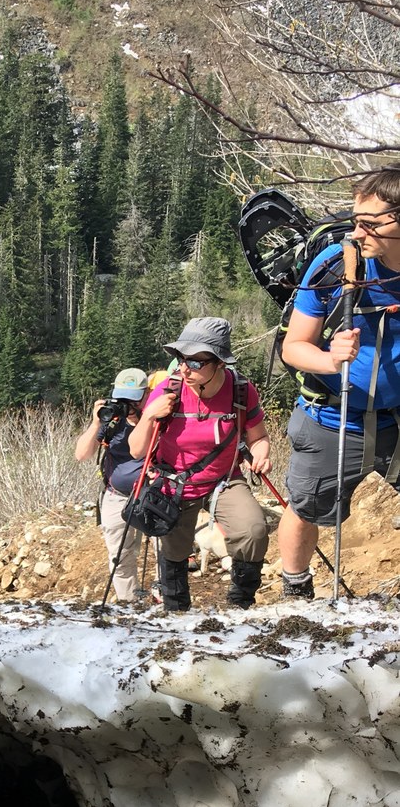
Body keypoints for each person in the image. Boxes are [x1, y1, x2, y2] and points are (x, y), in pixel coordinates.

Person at [277, 167, 400, 598]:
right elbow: (294, 347)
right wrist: (331, 359)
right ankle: (296, 590)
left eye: (370, 223)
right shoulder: (333, 265)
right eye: (355, 220)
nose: (357, 232)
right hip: (332, 414)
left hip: (396, 420)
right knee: (306, 508)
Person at [127, 317, 272, 612]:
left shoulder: (242, 391)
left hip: (224, 478)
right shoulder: (168, 391)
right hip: (175, 482)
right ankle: (177, 610)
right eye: (182, 359)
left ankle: (239, 604)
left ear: (219, 362)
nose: (184, 368)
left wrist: (261, 453)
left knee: (254, 530)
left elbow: (259, 437)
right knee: (175, 550)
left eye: (195, 362)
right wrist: (149, 414)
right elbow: (136, 450)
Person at [75, 367, 150, 603]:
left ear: (146, 395)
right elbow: (82, 454)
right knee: (120, 554)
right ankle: (129, 602)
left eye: (133, 399)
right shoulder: (112, 422)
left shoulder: (156, 418)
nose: (127, 404)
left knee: (164, 549)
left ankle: (166, 599)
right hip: (116, 495)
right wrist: (96, 422)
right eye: (122, 398)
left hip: (152, 494)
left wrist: (144, 418)